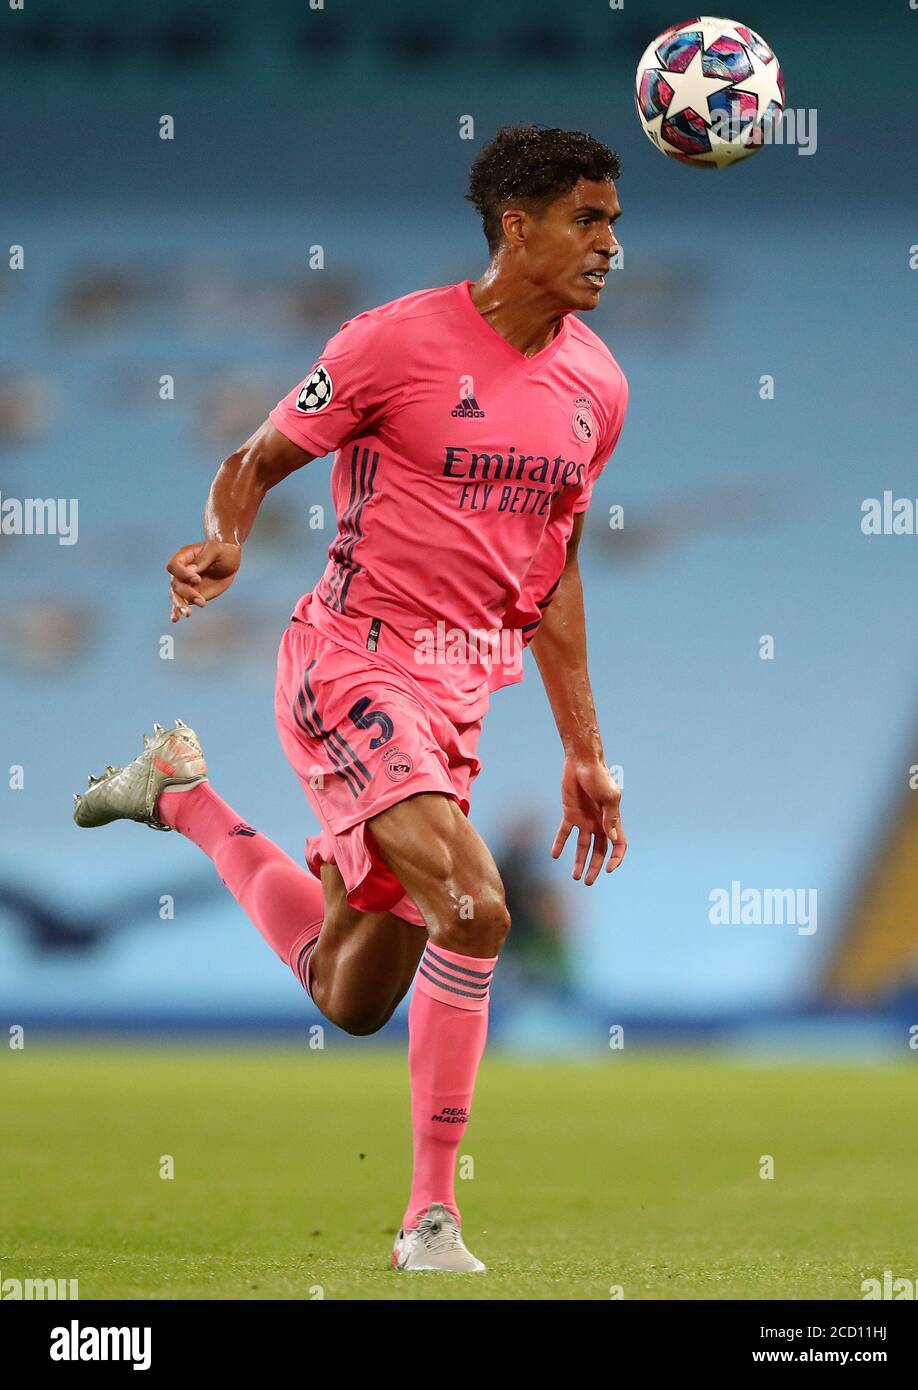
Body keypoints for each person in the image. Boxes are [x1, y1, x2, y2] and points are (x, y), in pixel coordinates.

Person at [73, 124, 629, 1273]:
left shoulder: (597, 388)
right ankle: (431, 1218)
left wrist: (585, 750)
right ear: (516, 227)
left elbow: (556, 569)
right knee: (475, 907)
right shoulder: (393, 342)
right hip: (351, 662)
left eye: (616, 220)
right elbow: (256, 458)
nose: (611, 243)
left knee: (351, 995)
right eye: (589, 218)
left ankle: (181, 797)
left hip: (462, 692)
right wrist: (227, 540)